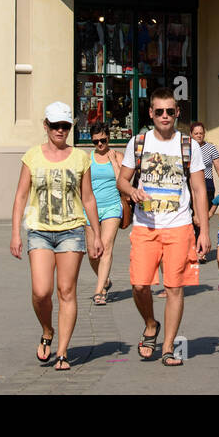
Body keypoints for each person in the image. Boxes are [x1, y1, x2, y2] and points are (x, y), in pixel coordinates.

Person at [116, 88, 210, 366]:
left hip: (180, 227)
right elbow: (122, 180)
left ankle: (168, 347)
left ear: (178, 112)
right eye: (159, 111)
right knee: (139, 285)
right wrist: (131, 192)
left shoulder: (188, 145)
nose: (165, 116)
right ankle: (150, 323)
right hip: (145, 227)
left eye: (170, 111)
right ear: (151, 113)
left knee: (174, 288)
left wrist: (203, 230)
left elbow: (199, 190)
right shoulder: (138, 143)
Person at [9, 101, 103, 371]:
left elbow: (88, 199)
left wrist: (96, 234)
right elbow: (20, 197)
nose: (60, 130)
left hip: (71, 231)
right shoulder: (32, 156)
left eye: (65, 126)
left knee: (66, 291)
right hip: (39, 230)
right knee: (41, 292)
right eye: (55, 125)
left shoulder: (80, 158)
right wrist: (16, 233)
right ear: (46, 125)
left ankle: (62, 352)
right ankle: (47, 330)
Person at [85, 121, 123, 306]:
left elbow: (121, 182)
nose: (100, 145)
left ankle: (99, 291)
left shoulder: (117, 156)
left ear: (109, 137)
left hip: (112, 207)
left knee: (106, 247)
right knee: (92, 253)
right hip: (91, 208)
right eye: (96, 141)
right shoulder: (88, 159)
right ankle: (105, 280)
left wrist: (114, 162)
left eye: (103, 140)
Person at [190, 121, 219, 206]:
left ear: (204, 134)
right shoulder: (187, 148)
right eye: (196, 133)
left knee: (206, 214)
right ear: (191, 134)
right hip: (191, 184)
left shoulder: (211, 148)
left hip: (207, 184)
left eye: (201, 133)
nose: (199, 135)